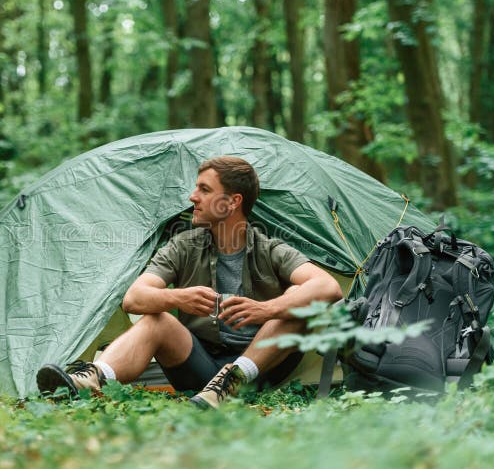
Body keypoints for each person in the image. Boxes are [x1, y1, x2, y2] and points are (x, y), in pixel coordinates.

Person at [36, 156, 343, 408]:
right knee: (156, 320)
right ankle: (90, 380)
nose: (193, 197)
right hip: (198, 365)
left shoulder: (270, 249)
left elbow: (328, 287)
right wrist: (177, 298)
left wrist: (266, 309)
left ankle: (231, 381)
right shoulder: (184, 246)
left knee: (298, 301)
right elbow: (134, 298)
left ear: (232, 202)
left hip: (260, 370)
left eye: (204, 190)